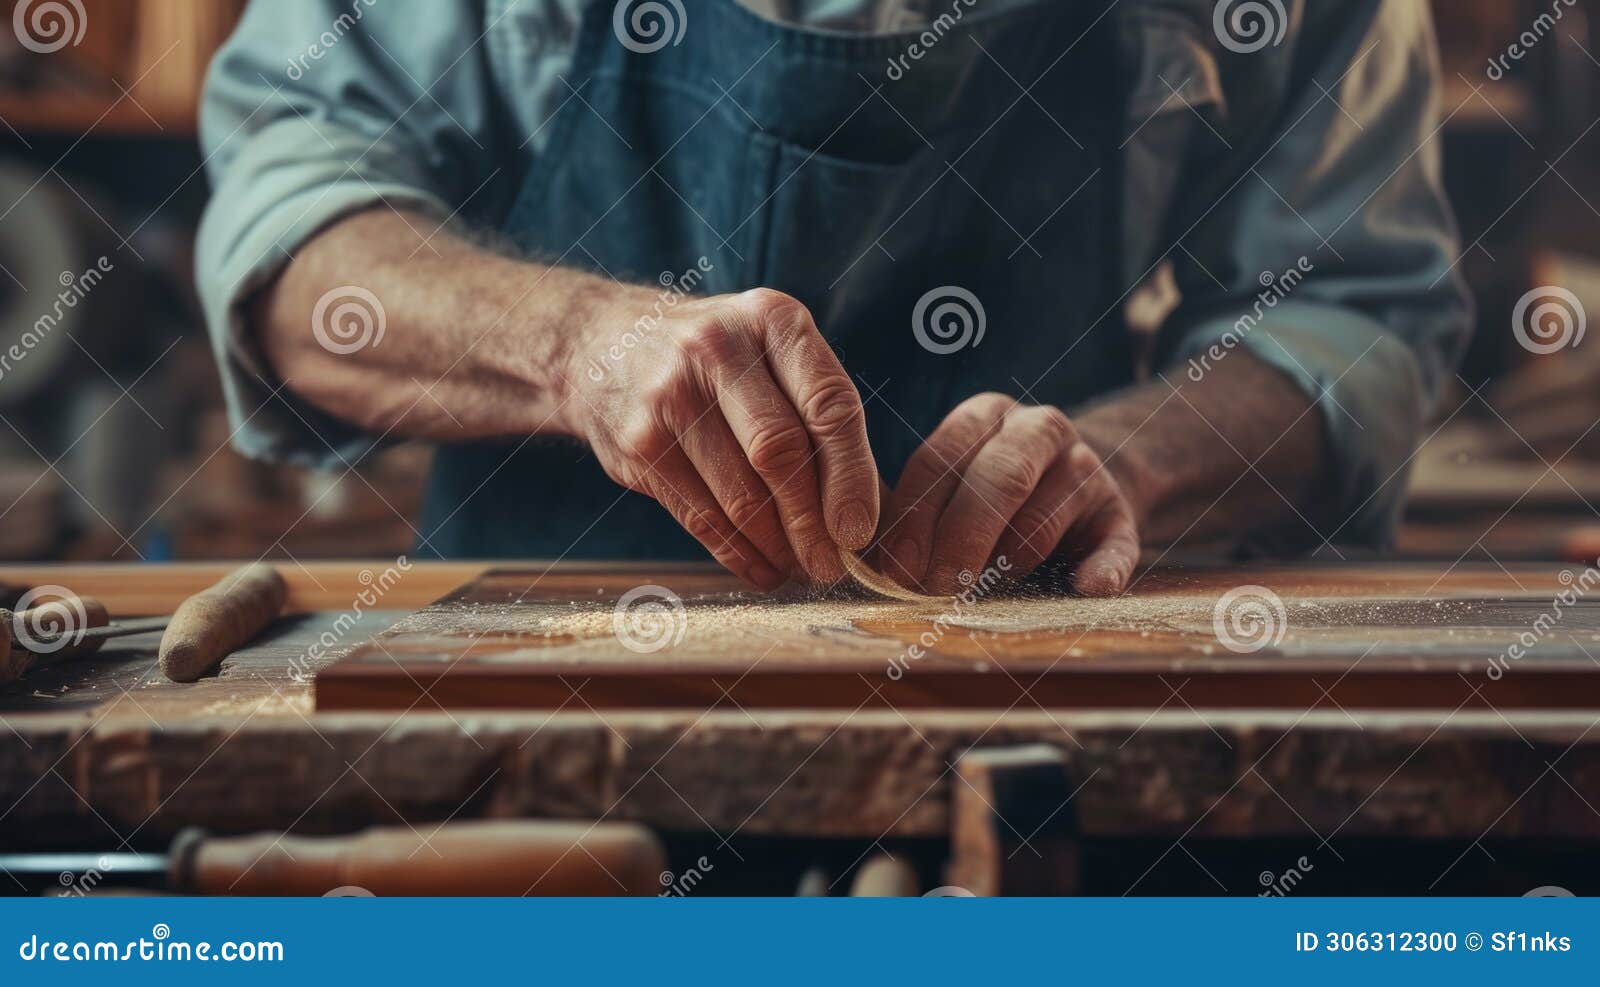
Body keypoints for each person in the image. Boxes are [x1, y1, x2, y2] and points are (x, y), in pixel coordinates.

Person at [197, 0, 1470, 595]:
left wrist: (1133, 461)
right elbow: (289, 240)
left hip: (1025, 669)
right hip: (530, 679)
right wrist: (573, 345)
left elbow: (1355, 310)